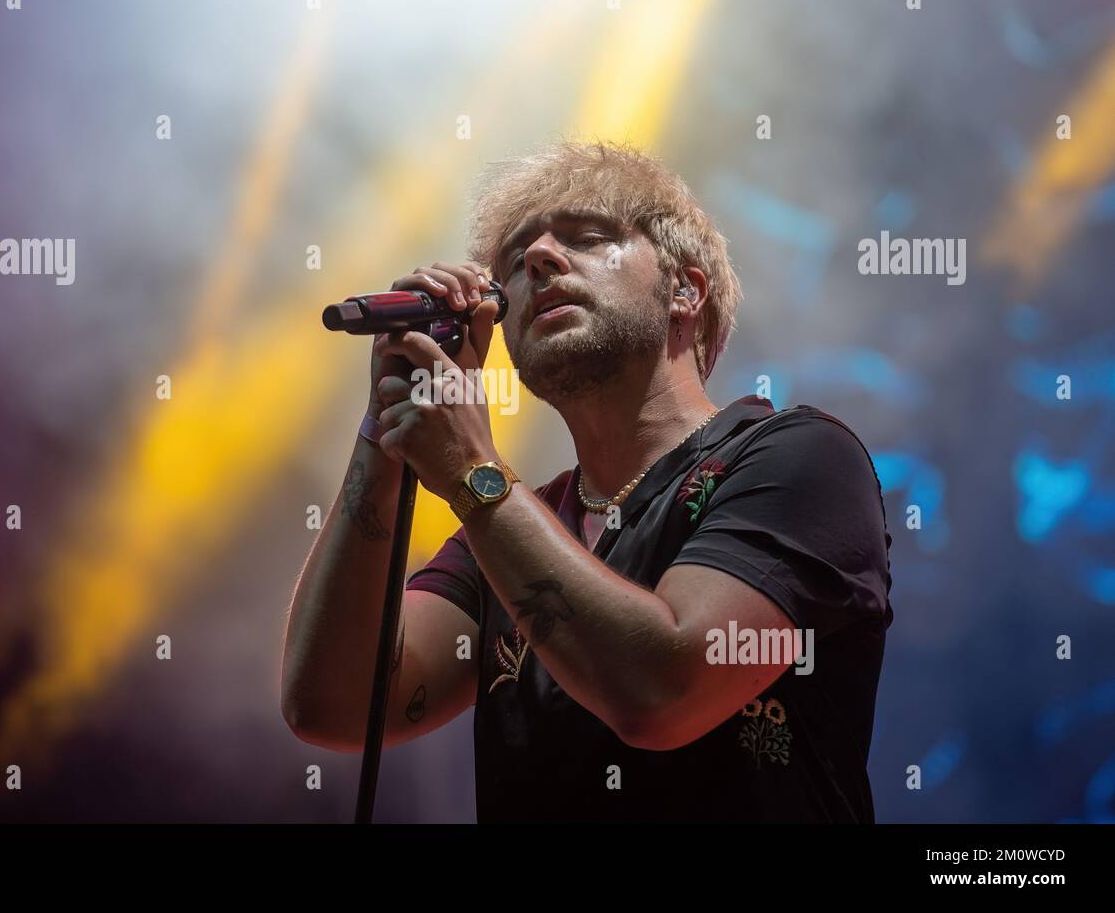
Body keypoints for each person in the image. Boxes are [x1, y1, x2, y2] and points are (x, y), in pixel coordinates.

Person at [281, 139, 893, 822]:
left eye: (586, 236)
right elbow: (330, 704)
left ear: (685, 291)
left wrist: (470, 472)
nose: (538, 259)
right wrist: (385, 433)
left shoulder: (801, 458)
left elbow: (661, 692)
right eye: (513, 263)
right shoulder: (508, 531)